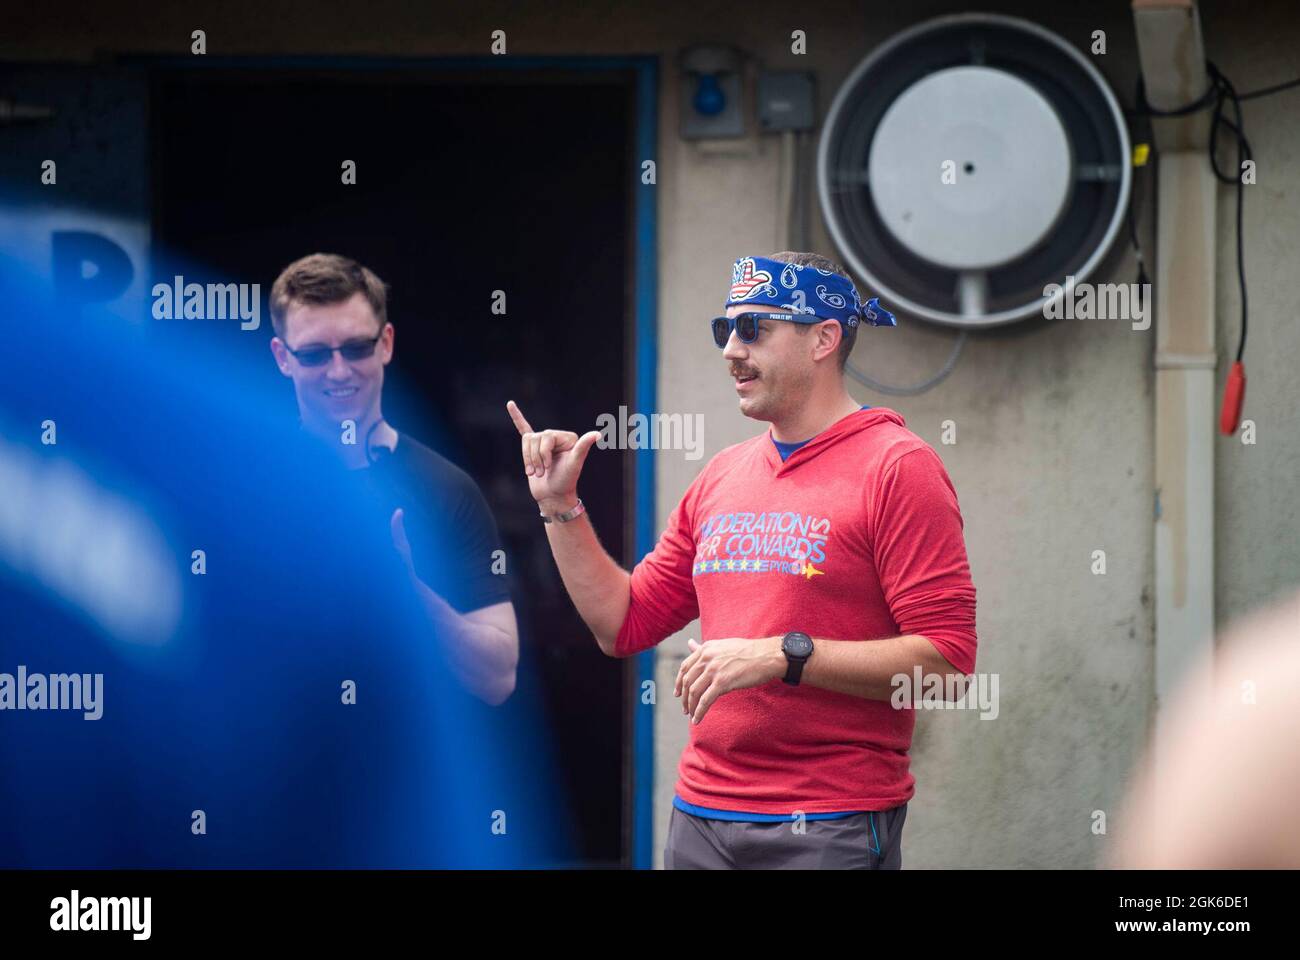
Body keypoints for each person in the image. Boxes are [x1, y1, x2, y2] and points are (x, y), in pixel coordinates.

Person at [507, 251, 978, 869]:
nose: (730, 349)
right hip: (700, 815)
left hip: (827, 822)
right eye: (723, 330)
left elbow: (946, 664)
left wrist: (785, 654)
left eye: (753, 328)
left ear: (824, 339)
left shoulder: (898, 467)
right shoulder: (723, 474)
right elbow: (621, 624)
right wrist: (561, 506)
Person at [269, 252, 518, 705]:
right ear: (283, 357)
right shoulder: (247, 483)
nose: (339, 370)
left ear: (385, 343)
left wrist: (411, 595)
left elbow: (499, 678)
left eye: (356, 348)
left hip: (400, 768)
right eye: (314, 354)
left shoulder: (446, 488)